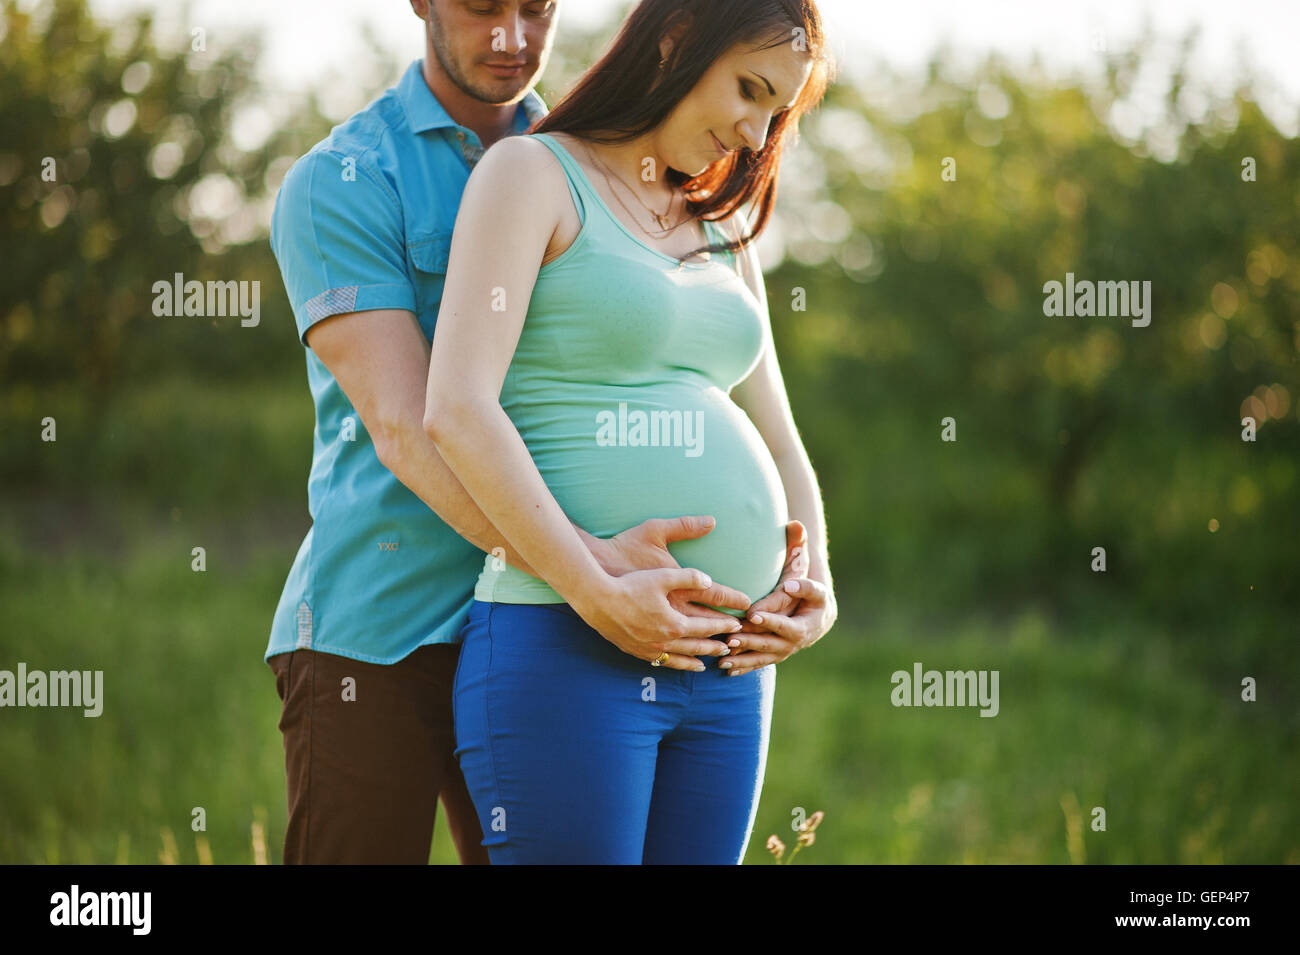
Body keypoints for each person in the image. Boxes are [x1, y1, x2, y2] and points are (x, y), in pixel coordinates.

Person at [263, 0, 796, 864]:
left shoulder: (602, 159)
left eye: (537, 8)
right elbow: (407, 425)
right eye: (483, 7)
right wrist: (584, 564)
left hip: (552, 627)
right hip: (387, 629)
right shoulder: (343, 180)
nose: (514, 36)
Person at [424, 0, 838, 864]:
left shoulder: (727, 224)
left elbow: (779, 431)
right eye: (749, 89)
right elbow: (457, 406)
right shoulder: (530, 175)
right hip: (565, 639)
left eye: (777, 112)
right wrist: (594, 588)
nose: (756, 134)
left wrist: (814, 582)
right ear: (680, 39)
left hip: (728, 668)